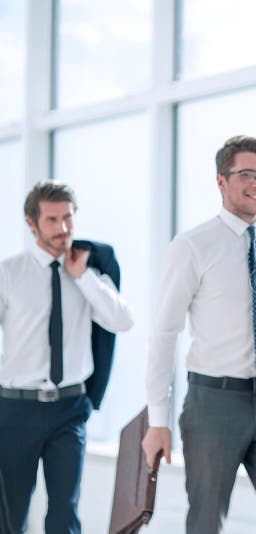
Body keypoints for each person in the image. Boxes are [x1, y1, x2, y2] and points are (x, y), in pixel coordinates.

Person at [141, 135, 256, 534]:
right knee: (205, 522)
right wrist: (157, 420)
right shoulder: (192, 246)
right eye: (247, 173)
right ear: (221, 181)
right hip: (213, 403)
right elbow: (165, 332)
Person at [0, 181, 134, 533]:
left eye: (68, 218)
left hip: (69, 408)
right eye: (52, 220)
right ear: (32, 223)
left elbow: (122, 320)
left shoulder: (88, 270)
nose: (62, 229)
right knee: (11, 513)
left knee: (65, 512)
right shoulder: (9, 274)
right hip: (17, 408)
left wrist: (84, 278)